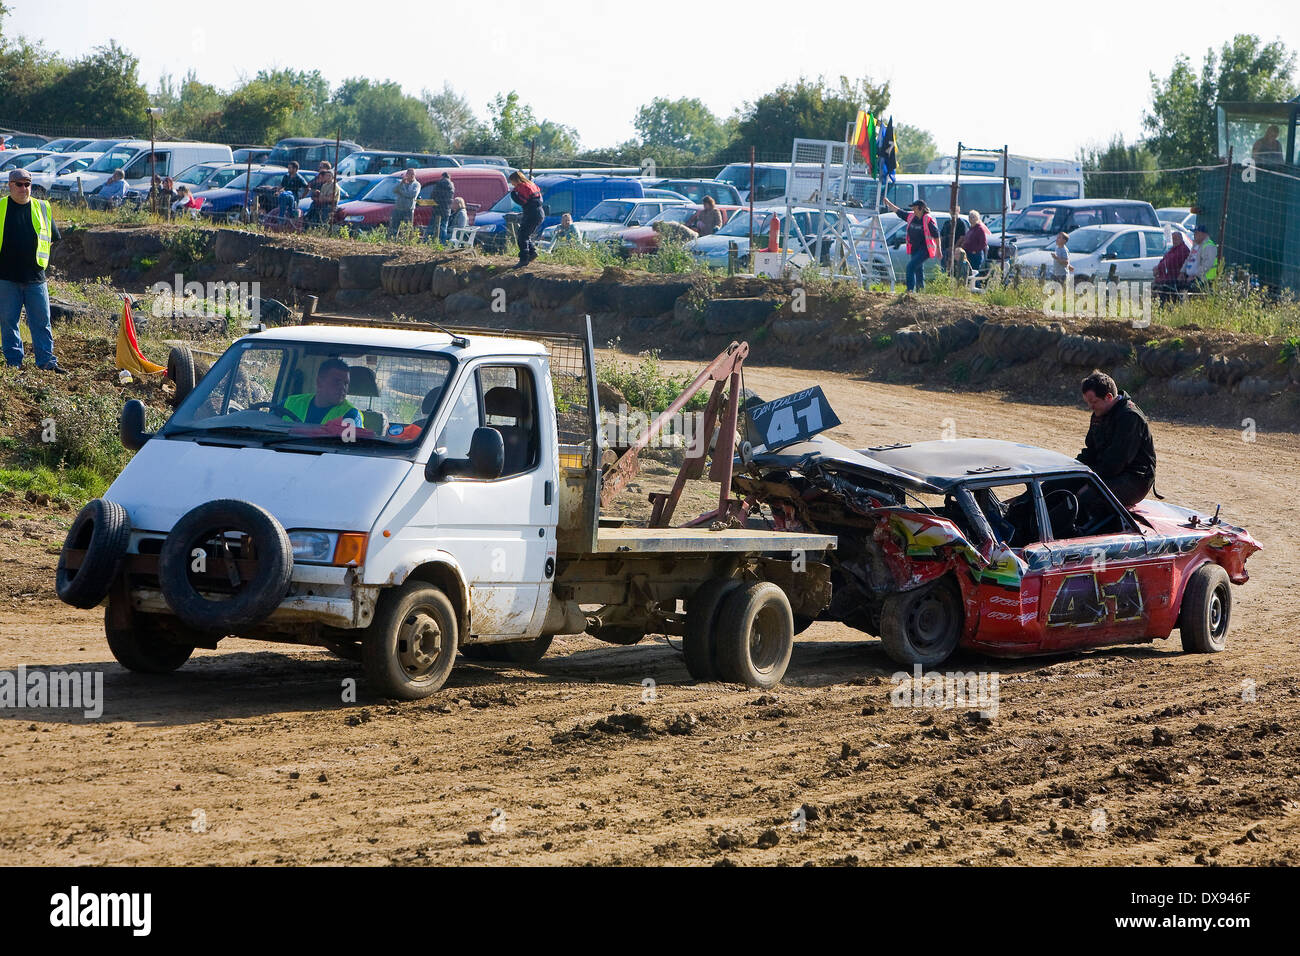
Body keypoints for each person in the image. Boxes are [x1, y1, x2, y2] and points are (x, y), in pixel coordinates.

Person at [0, 168, 64, 372]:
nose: (23, 188)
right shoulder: (1, 207)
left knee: (41, 322)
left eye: (27, 184)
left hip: (35, 278)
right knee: (8, 322)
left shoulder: (42, 208)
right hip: (6, 277)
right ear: (10, 185)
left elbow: (52, 238)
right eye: (19, 184)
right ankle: (13, 363)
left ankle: (46, 362)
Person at [1076, 370, 1156, 508]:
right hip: (1107, 471)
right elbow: (1092, 450)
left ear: (1108, 397)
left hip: (1134, 479)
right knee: (1057, 485)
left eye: (1093, 402)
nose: (1090, 407)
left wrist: (1091, 482)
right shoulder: (1100, 413)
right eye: (1088, 402)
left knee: (1084, 499)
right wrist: (1071, 469)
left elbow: (1117, 461)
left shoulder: (1129, 417)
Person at [882, 196, 940, 291]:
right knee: (918, 269)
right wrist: (888, 203)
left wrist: (939, 250)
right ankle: (920, 290)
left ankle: (909, 290)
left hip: (924, 249)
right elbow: (898, 211)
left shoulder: (927, 219)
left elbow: (936, 235)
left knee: (910, 267)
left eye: (915, 207)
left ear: (921, 208)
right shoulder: (911, 217)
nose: (913, 209)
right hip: (914, 249)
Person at [281, 358, 362, 426]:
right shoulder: (289, 403)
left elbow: (353, 443)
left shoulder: (350, 415)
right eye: (337, 382)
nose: (343, 388)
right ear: (319, 382)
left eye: (346, 383)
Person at [508, 171, 544, 266]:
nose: (512, 184)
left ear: (516, 180)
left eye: (512, 182)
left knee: (522, 236)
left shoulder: (522, 187)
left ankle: (524, 259)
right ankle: (532, 252)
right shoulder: (532, 184)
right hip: (539, 212)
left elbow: (522, 201)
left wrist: (513, 195)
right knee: (525, 234)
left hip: (532, 213)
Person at [1177, 223, 1218, 292]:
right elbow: (1189, 259)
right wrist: (1182, 272)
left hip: (1204, 281)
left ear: (1203, 234)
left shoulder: (1209, 246)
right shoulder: (1196, 245)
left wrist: (1195, 276)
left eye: (1196, 233)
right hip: (1191, 278)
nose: (1194, 235)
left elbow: (1207, 264)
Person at [1152, 230, 1190, 303]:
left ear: (1181, 239)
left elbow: (1171, 263)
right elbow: (1165, 259)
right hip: (1166, 278)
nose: (1174, 241)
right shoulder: (1173, 249)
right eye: (1173, 239)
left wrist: (1159, 268)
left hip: (1175, 279)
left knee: (1160, 289)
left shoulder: (1183, 249)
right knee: (1152, 287)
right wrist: (1157, 267)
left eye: (1176, 239)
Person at [388, 168, 420, 239]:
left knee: (406, 227)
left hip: (408, 209)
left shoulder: (416, 184)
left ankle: (404, 240)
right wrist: (401, 183)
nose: (411, 176)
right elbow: (394, 190)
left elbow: (412, 194)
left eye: (412, 174)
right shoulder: (402, 183)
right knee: (394, 227)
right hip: (398, 208)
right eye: (409, 174)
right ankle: (392, 239)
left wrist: (401, 192)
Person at [426, 172, 455, 243]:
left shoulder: (439, 184)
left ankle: (427, 241)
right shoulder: (452, 186)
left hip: (437, 209)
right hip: (446, 210)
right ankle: (442, 242)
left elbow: (433, 195)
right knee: (444, 227)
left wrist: (432, 201)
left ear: (442, 176)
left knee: (432, 227)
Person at [961, 209, 991, 273]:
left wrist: (975, 251)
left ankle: (976, 283)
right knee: (969, 271)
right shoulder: (970, 229)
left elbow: (983, 243)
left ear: (977, 218)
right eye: (970, 217)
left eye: (973, 217)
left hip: (976, 255)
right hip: (968, 254)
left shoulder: (979, 229)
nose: (971, 218)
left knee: (975, 271)